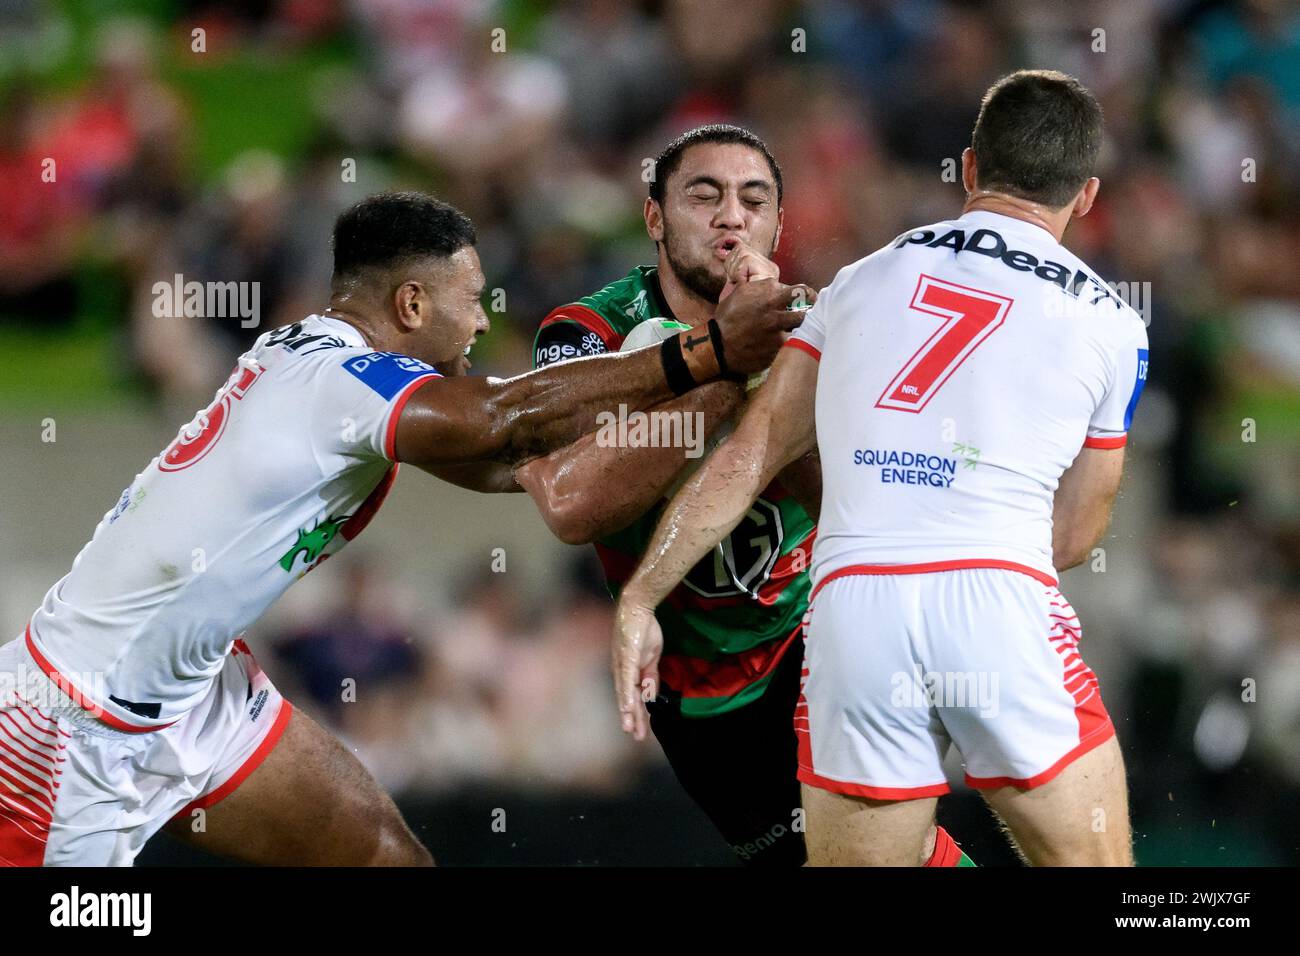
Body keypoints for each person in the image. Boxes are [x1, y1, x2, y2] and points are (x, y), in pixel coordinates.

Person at [0, 191, 804, 866]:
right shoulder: (341, 380)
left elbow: (525, 464)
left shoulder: (327, 371)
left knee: (389, 859)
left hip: (195, 696)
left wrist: (720, 392)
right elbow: (504, 419)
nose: (482, 324)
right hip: (72, 719)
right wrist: (707, 352)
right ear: (412, 305)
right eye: (472, 300)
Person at [610, 73, 1148, 866]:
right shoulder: (1113, 320)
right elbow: (1073, 534)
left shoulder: (858, 282)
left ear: (970, 167)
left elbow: (747, 455)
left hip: (855, 608)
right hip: (997, 598)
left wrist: (641, 597)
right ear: (1088, 194)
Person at [517, 125, 970, 867]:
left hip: (812, 633)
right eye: (706, 196)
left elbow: (848, 510)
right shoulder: (588, 333)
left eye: (754, 201)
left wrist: (779, 372)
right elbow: (574, 505)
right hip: (693, 689)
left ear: (778, 227)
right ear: (655, 218)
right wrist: (727, 364)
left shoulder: (822, 325)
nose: (732, 216)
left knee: (895, 849)